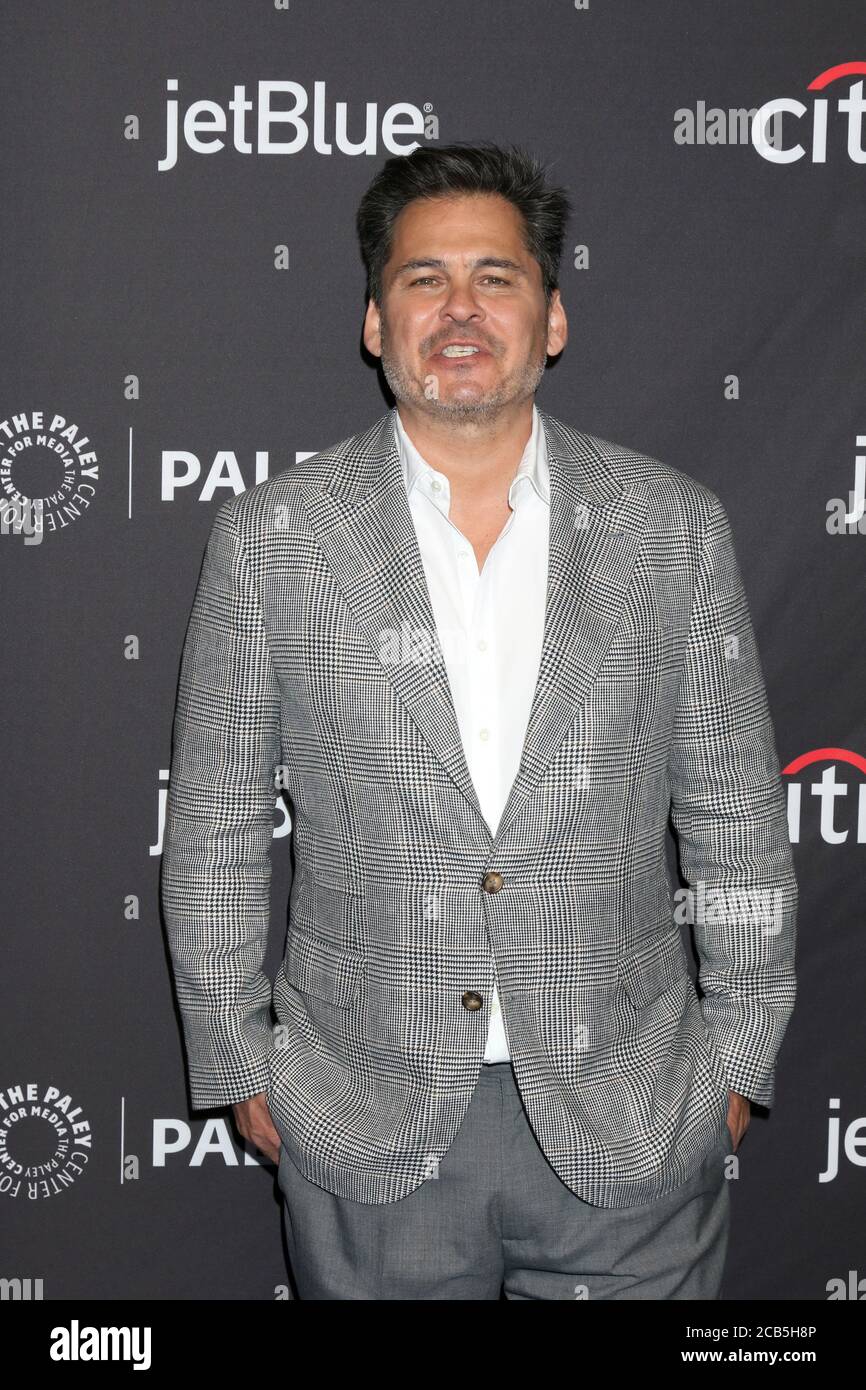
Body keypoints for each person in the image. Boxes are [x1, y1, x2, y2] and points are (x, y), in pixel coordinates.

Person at [161, 141, 798, 1300]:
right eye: (424, 278)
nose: (459, 308)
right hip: (362, 1117)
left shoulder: (670, 529)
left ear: (551, 318)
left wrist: (740, 1052)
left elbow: (736, 822)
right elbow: (212, 827)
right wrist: (239, 1059)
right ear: (375, 322)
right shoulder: (271, 540)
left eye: (495, 277)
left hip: (635, 1116)